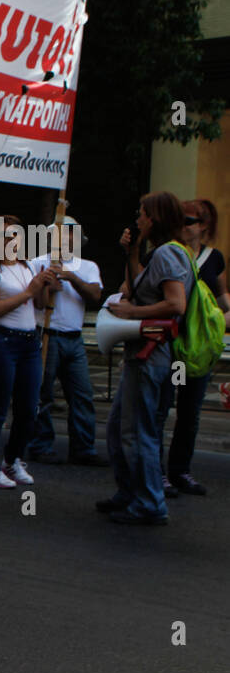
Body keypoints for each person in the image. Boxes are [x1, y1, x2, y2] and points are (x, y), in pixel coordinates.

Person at [99, 192, 196, 524]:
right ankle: (130, 493)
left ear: (153, 218)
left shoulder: (168, 255)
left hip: (151, 353)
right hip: (143, 354)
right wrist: (133, 252)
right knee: (118, 428)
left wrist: (132, 313)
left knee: (137, 431)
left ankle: (149, 503)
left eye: (141, 214)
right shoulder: (157, 255)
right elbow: (135, 286)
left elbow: (176, 304)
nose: (136, 219)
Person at [0, 216, 55, 488]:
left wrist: (43, 286)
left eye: (16, 235)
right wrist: (29, 291)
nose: (13, 241)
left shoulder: (29, 266)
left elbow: (40, 305)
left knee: (28, 408)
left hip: (29, 342)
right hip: (2, 342)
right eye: (6, 236)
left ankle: (13, 460)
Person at [154, 199, 226, 497]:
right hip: (170, 346)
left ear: (204, 226)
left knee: (189, 412)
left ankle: (180, 470)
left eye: (190, 220)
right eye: (181, 220)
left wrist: (217, 323)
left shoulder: (213, 259)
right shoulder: (167, 253)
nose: (184, 226)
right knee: (161, 408)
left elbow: (221, 301)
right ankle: (156, 473)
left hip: (195, 351)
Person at [26, 218, 108, 466]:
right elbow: (34, 300)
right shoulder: (37, 263)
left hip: (74, 338)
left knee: (82, 395)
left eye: (70, 234)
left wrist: (71, 277)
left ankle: (83, 448)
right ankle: (41, 445)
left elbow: (94, 295)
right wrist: (46, 285)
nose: (64, 238)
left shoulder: (88, 266)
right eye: (60, 233)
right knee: (43, 394)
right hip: (47, 335)